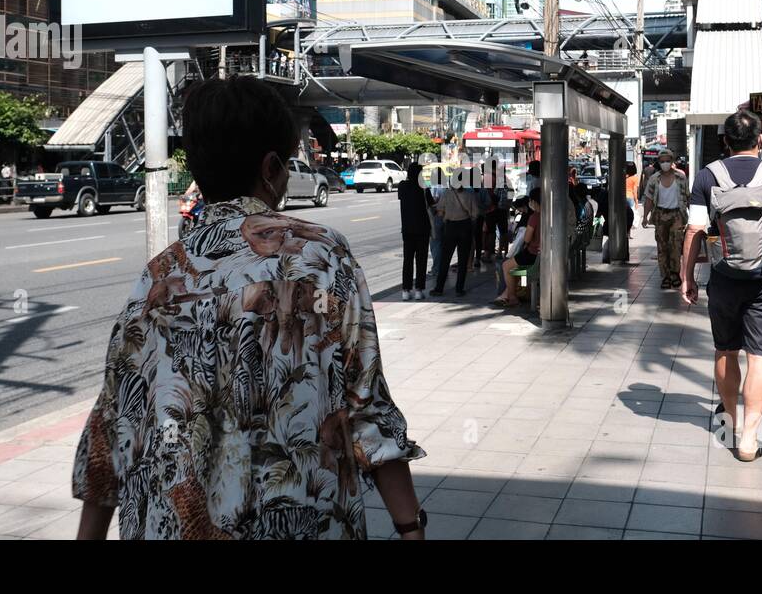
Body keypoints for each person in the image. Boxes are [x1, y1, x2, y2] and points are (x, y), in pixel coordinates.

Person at [73, 75, 425, 540]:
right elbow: (366, 406)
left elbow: (114, 425)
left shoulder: (159, 275)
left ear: (198, 169)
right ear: (272, 166)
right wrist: (410, 526)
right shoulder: (321, 256)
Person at [679, 110, 762, 463]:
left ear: (725, 142)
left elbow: (694, 230)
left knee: (725, 350)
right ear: (760, 140)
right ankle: (748, 441)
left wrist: (687, 278)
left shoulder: (708, 177)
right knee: (759, 357)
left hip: (724, 278)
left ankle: (730, 424)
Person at [642, 149, 692, 290]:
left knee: (675, 246)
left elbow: (688, 197)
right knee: (662, 247)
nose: (665, 163)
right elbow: (649, 199)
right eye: (662, 161)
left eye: (667, 160)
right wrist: (645, 216)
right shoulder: (654, 179)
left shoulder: (681, 178)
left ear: (672, 161)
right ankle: (665, 276)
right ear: (659, 162)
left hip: (677, 215)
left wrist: (693, 215)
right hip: (660, 215)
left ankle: (675, 274)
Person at [431, 172, 479, 297]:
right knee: (463, 260)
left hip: (450, 228)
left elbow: (440, 212)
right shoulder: (470, 194)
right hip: (465, 227)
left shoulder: (447, 194)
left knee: (445, 259)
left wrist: (447, 215)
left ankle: (439, 288)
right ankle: (459, 289)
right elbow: (475, 214)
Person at [494, 188, 542, 308]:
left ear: (534, 202)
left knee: (506, 266)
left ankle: (512, 297)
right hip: (541, 255)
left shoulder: (534, 217)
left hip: (532, 254)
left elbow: (526, 239)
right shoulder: (550, 215)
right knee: (515, 268)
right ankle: (518, 294)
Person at [397, 162, 434, 301]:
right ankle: (419, 289)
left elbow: (402, 198)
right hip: (423, 229)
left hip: (407, 229)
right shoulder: (424, 188)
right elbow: (431, 204)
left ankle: (406, 290)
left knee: (407, 260)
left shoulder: (402, 186)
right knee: (421, 260)